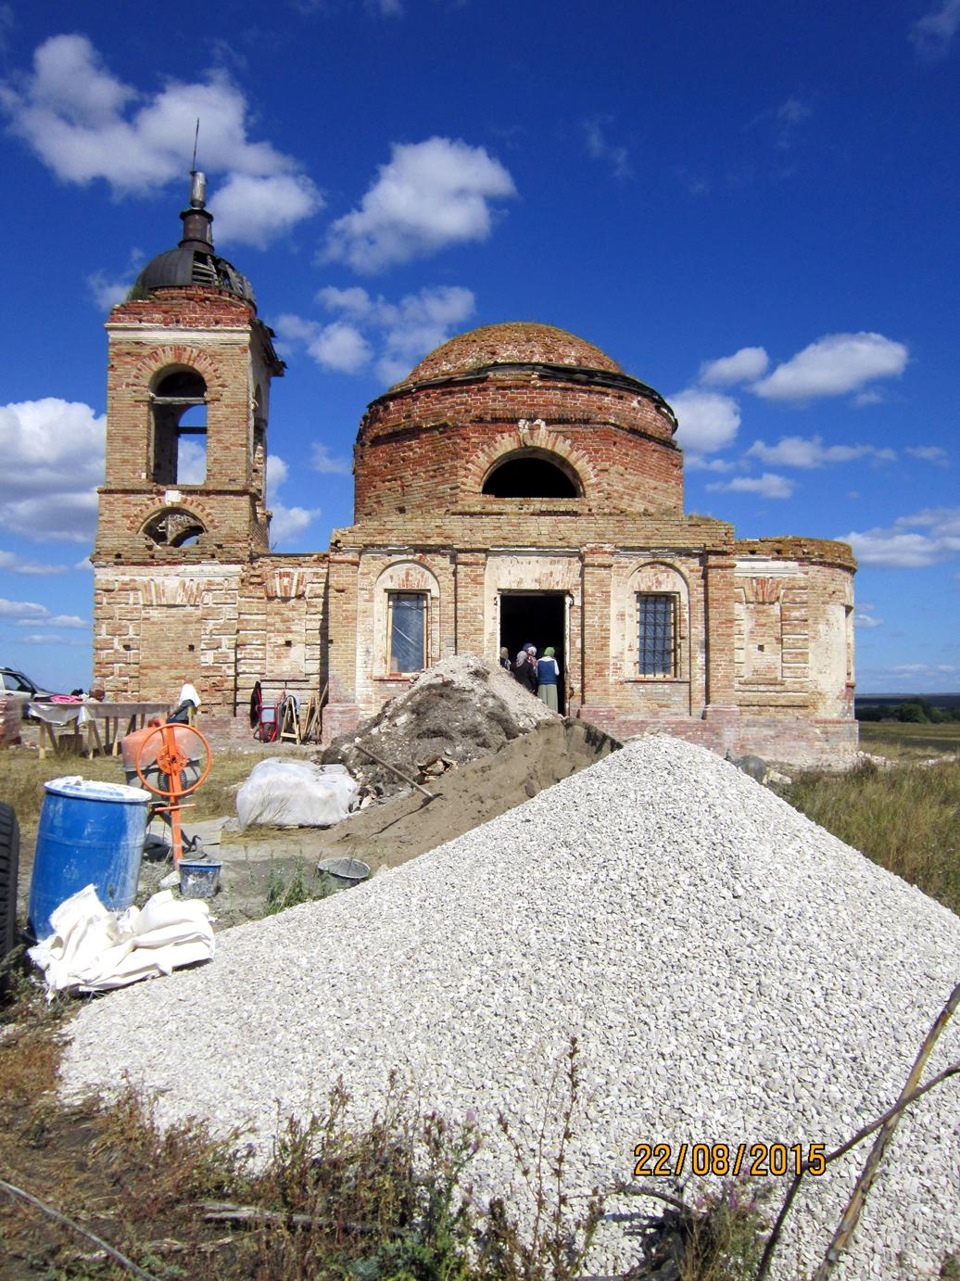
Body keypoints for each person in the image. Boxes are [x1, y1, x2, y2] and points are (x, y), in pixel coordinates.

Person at [536, 646, 560, 711]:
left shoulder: (539, 661)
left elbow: (537, 674)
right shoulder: (553, 661)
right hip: (552, 683)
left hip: (541, 683)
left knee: (542, 702)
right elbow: (557, 673)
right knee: (551, 702)